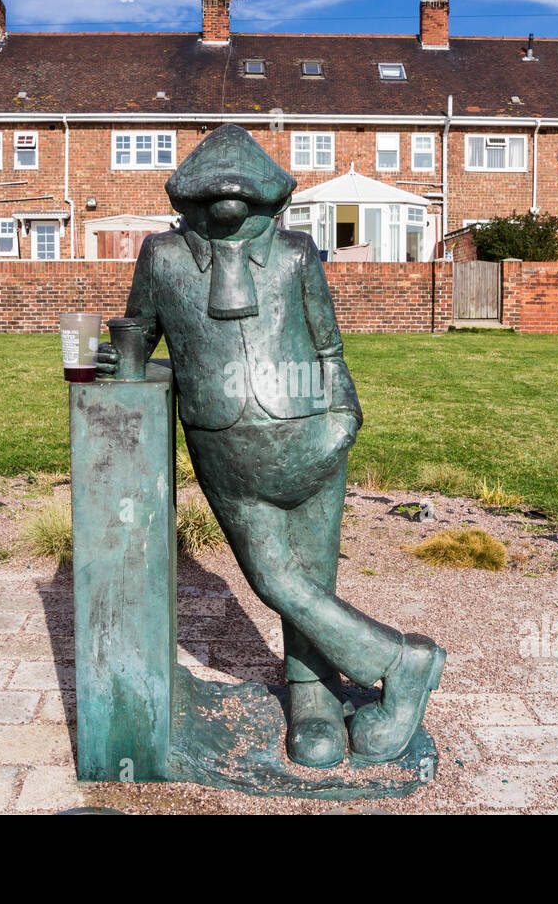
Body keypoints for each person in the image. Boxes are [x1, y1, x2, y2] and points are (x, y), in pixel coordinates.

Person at [95, 124, 444, 767]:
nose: (232, 207)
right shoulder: (163, 257)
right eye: (214, 195)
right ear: (187, 199)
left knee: (313, 574)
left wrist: (342, 418)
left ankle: (313, 699)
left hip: (312, 434)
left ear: (272, 200)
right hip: (226, 448)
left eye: (248, 196)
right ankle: (402, 661)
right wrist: (107, 359)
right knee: (272, 576)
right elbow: (136, 330)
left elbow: (329, 345)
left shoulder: (295, 254)